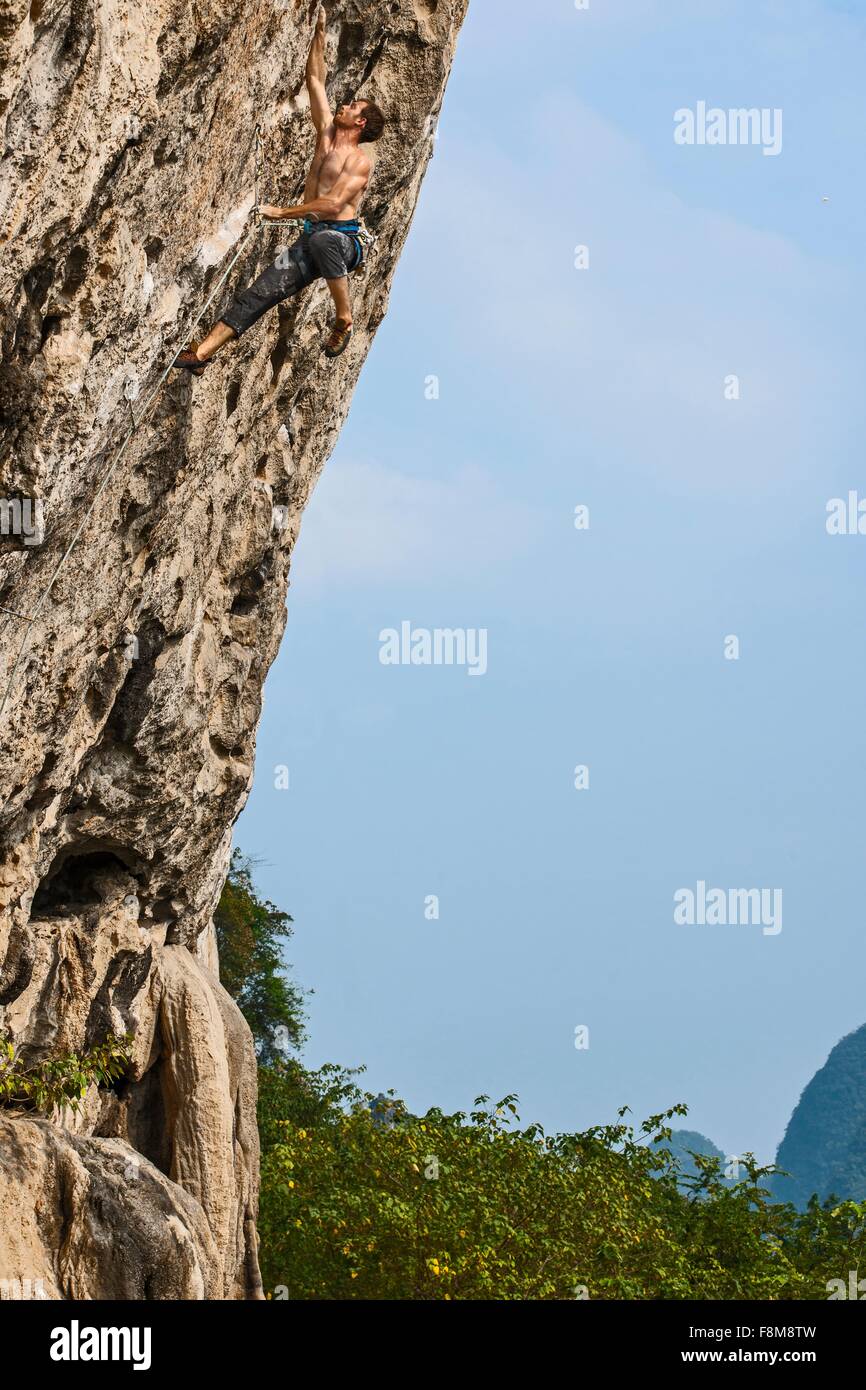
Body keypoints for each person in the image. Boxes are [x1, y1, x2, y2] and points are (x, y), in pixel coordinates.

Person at [173, 9, 385, 370]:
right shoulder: (326, 134)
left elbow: (333, 205)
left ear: (360, 122)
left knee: (323, 241)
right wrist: (319, 33)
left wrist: (282, 213)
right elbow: (315, 80)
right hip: (312, 239)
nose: (344, 106)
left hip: (344, 242)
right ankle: (201, 354)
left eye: (352, 107)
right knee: (262, 290)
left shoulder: (359, 162)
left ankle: (344, 317)